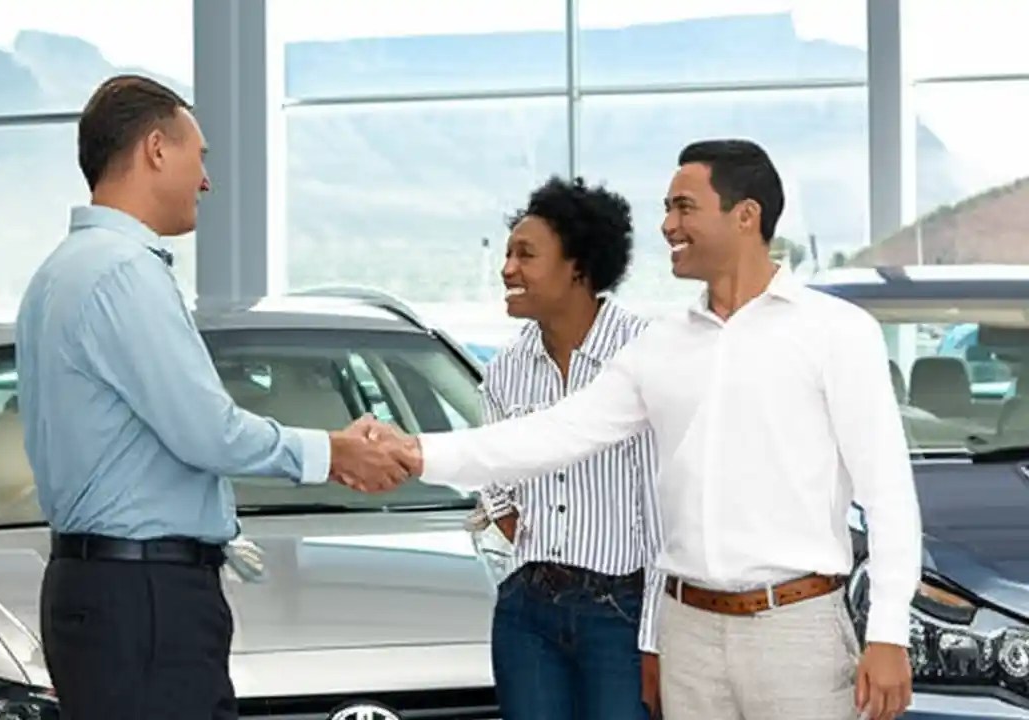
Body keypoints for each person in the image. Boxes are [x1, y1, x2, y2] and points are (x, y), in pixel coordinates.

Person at [368, 140, 921, 720]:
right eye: (666, 209)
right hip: (689, 634)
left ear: (745, 215)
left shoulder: (836, 331)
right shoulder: (661, 344)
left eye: (684, 208)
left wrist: (889, 633)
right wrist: (416, 452)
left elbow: (887, 494)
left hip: (796, 630)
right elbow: (556, 433)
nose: (667, 226)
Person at [15, 74, 411, 720]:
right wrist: (334, 452)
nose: (206, 181)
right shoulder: (124, 272)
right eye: (199, 157)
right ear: (155, 149)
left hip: (99, 591)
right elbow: (208, 432)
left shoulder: (57, 273)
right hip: (146, 601)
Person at [469, 176, 663, 719]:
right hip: (527, 613)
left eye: (526, 255)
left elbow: (664, 510)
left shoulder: (647, 355)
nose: (508, 269)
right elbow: (496, 488)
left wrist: (654, 638)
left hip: (622, 615)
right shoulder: (506, 370)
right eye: (508, 254)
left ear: (578, 265)